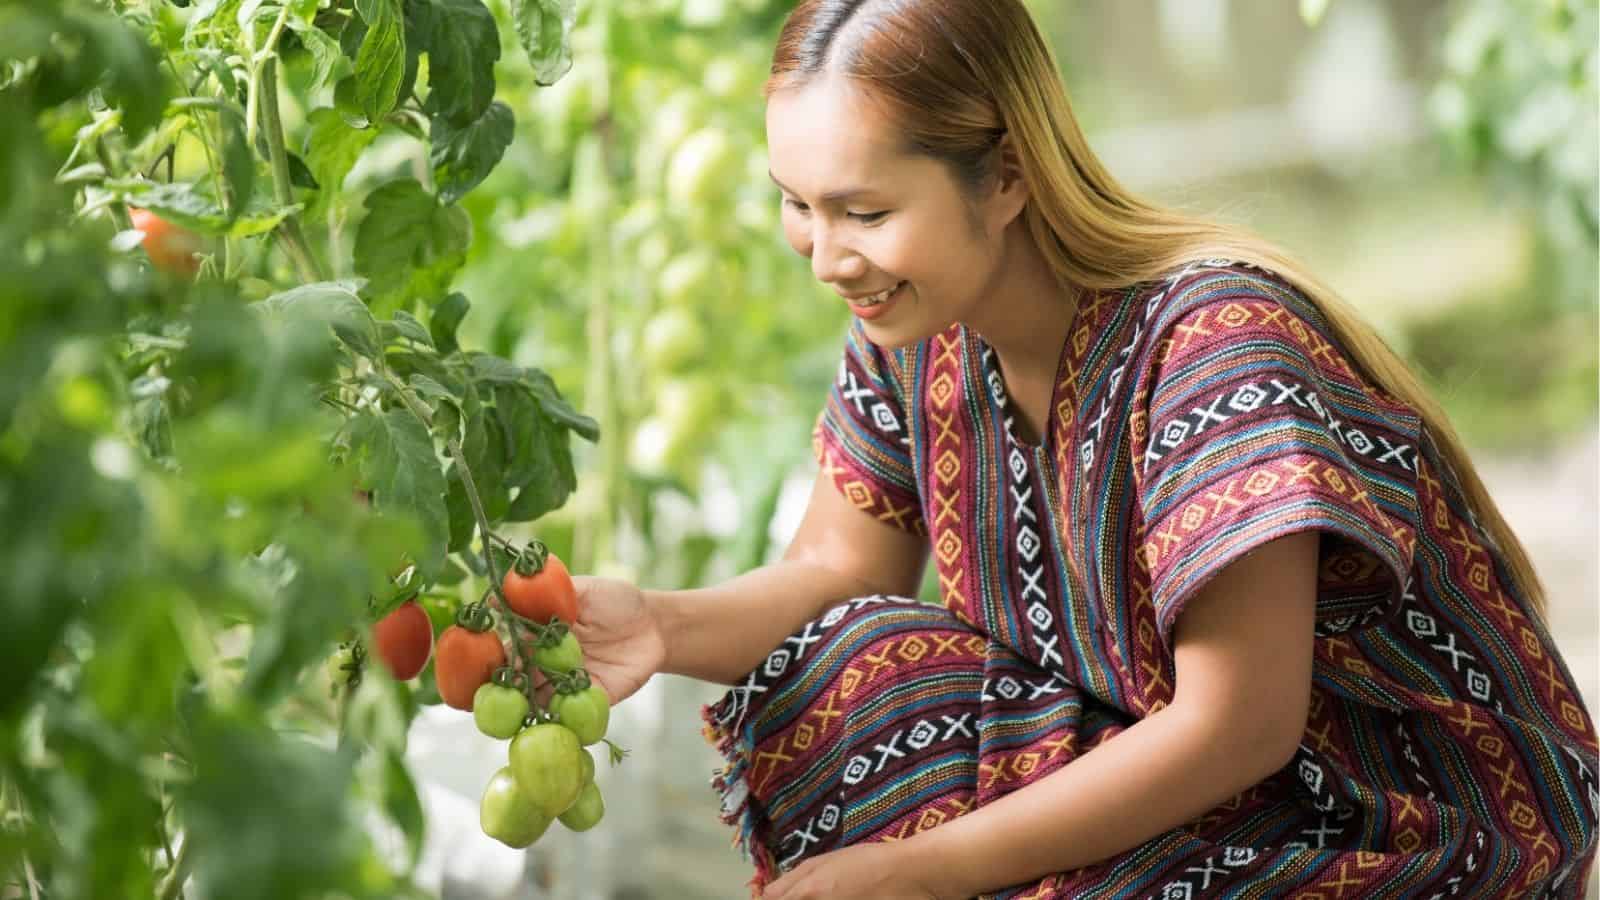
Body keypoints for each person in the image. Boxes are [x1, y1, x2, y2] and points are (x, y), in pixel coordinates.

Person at [567, 0, 1600, 896]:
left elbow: (1237, 727)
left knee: (947, 858)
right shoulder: (914, 328)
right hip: (1173, 769)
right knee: (842, 672)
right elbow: (835, 573)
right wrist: (655, 625)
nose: (824, 256)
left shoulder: (1215, 347)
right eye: (796, 204)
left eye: (864, 211)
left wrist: (929, 866)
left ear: (1005, 177)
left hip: (1384, 827)